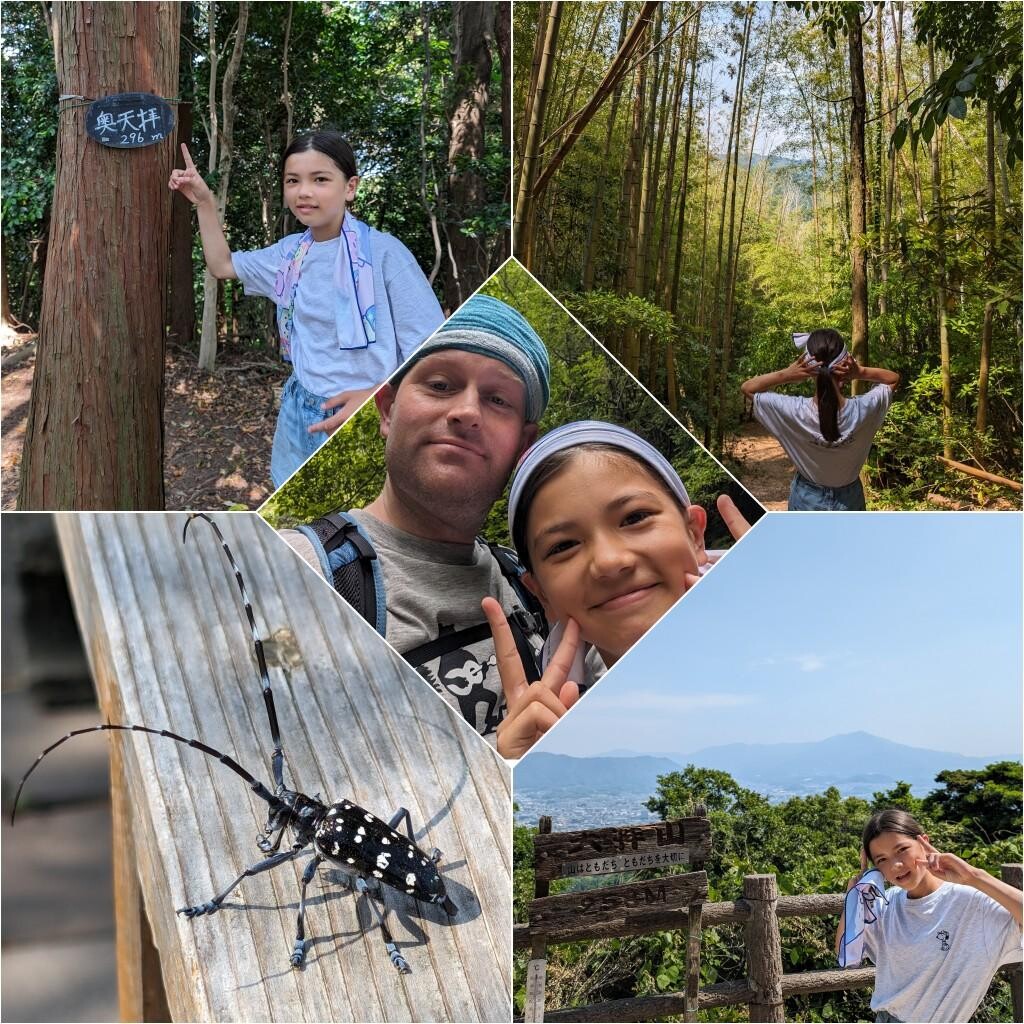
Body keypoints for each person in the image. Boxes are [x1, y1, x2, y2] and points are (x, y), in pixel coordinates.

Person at [282, 294, 551, 747]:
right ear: (387, 409)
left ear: (523, 444)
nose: (466, 412)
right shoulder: (299, 574)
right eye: (441, 385)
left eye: (498, 399)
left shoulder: (536, 586)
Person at [169, 131, 444, 488]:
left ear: (350, 187)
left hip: (365, 414)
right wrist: (204, 201)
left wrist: (378, 394)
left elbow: (434, 347)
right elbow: (222, 265)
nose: (304, 192)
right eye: (293, 181)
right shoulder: (288, 255)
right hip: (300, 407)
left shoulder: (384, 254)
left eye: (320, 180)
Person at [482, 421, 749, 759]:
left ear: (694, 534)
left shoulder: (771, 631)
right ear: (541, 595)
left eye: (634, 517)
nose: (609, 561)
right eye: (563, 546)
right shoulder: (560, 721)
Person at [836, 808, 1022, 1023]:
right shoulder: (886, 904)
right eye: (882, 860)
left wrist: (973, 876)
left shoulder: (973, 904)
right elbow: (846, 954)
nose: (895, 865)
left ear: (924, 842)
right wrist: (854, 899)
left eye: (902, 849)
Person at [740, 329, 899, 511]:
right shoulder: (863, 409)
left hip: (806, 498)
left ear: (811, 371)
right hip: (850, 501)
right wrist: (860, 372)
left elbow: (748, 388)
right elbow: (893, 379)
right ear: (845, 368)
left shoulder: (793, 411)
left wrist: (788, 374)